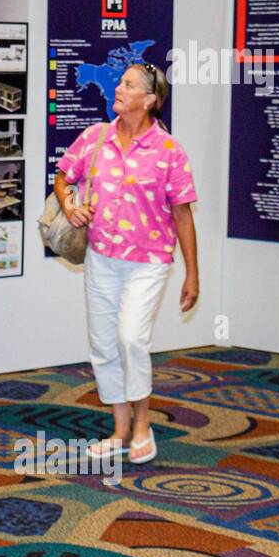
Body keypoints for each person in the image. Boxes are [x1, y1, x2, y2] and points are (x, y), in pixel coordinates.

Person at [52, 62, 199, 465]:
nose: (118, 88)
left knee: (132, 338)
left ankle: (142, 426)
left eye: (128, 84)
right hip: (101, 257)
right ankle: (119, 428)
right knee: (103, 342)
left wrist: (192, 275)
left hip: (148, 261)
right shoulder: (95, 137)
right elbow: (63, 176)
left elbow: (183, 214)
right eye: (119, 81)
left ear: (149, 99)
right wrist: (70, 204)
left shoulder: (169, 151)